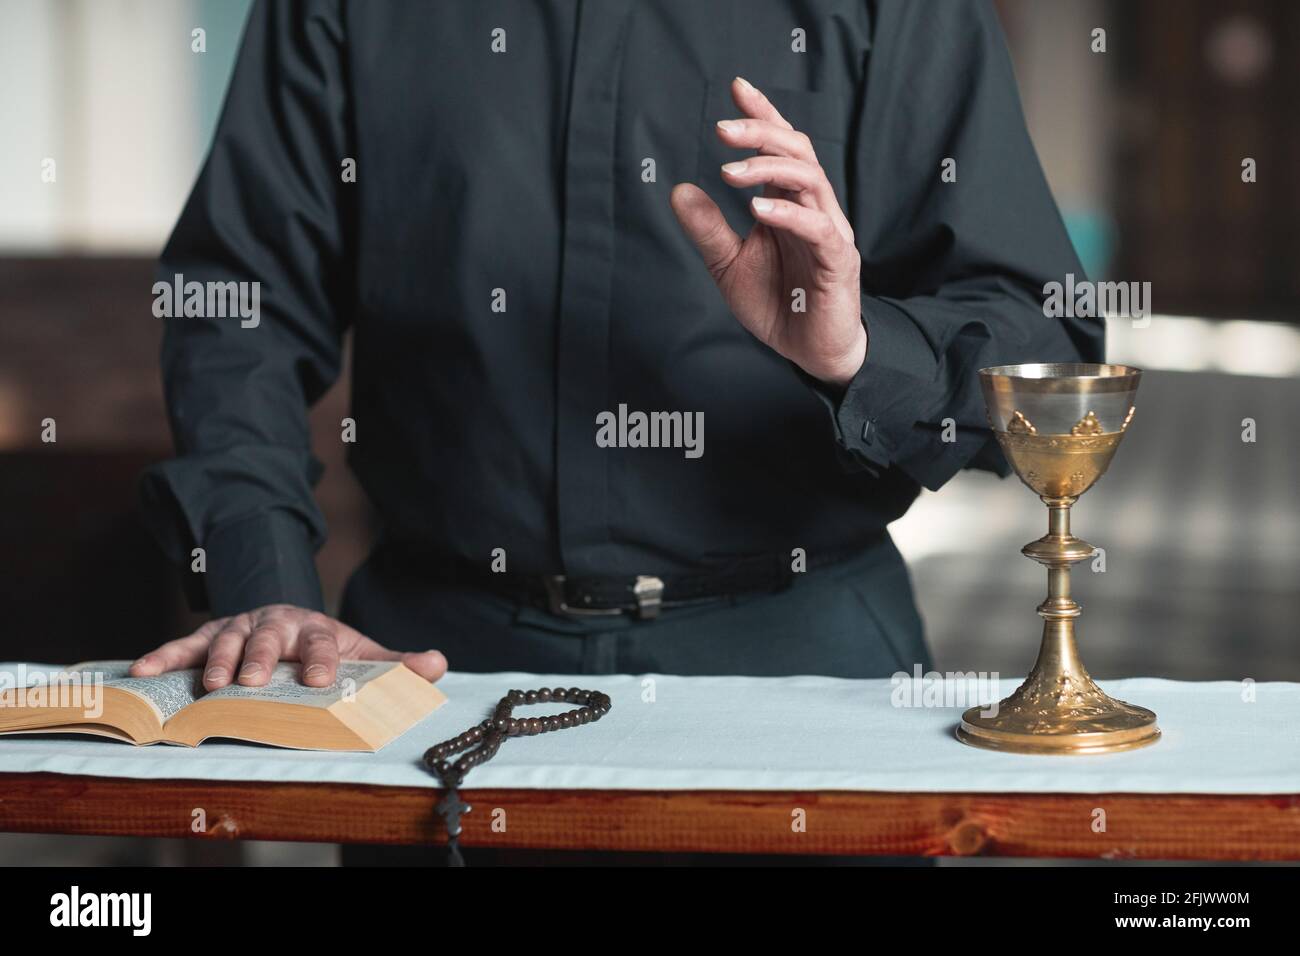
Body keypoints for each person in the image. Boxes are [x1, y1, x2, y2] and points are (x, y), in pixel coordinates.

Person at [132, 0, 1100, 694]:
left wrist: (856, 346)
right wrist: (262, 584)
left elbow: (1044, 338)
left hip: (802, 651)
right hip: (432, 663)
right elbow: (237, 297)